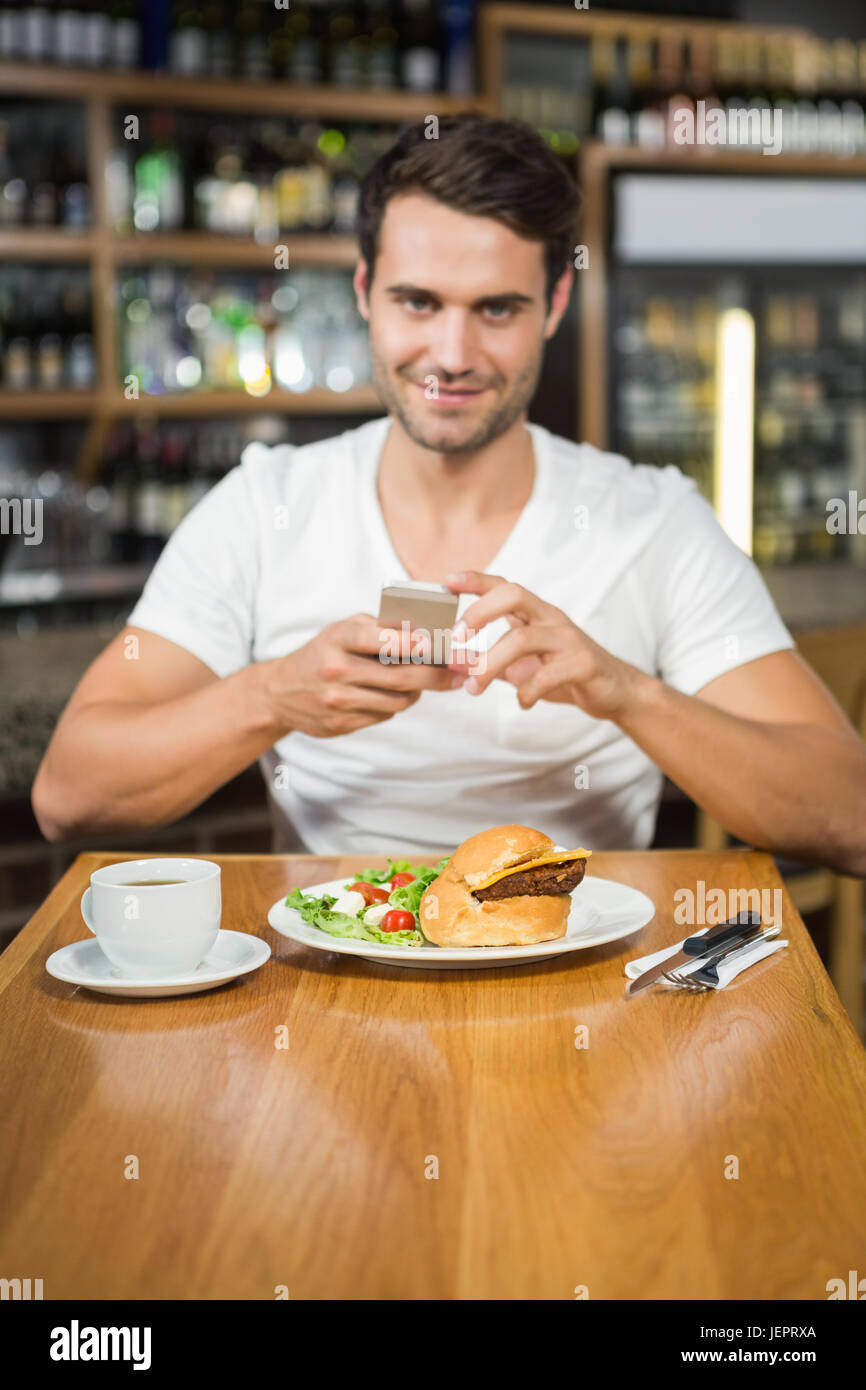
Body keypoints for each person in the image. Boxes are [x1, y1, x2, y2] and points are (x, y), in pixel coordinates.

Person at [33, 114, 866, 873]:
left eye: (497, 309)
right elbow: (69, 795)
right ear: (364, 294)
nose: (453, 352)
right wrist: (268, 696)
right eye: (418, 302)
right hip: (333, 998)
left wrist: (629, 694)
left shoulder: (655, 521)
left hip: (589, 1008)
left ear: (556, 303)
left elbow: (849, 816)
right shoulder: (264, 508)